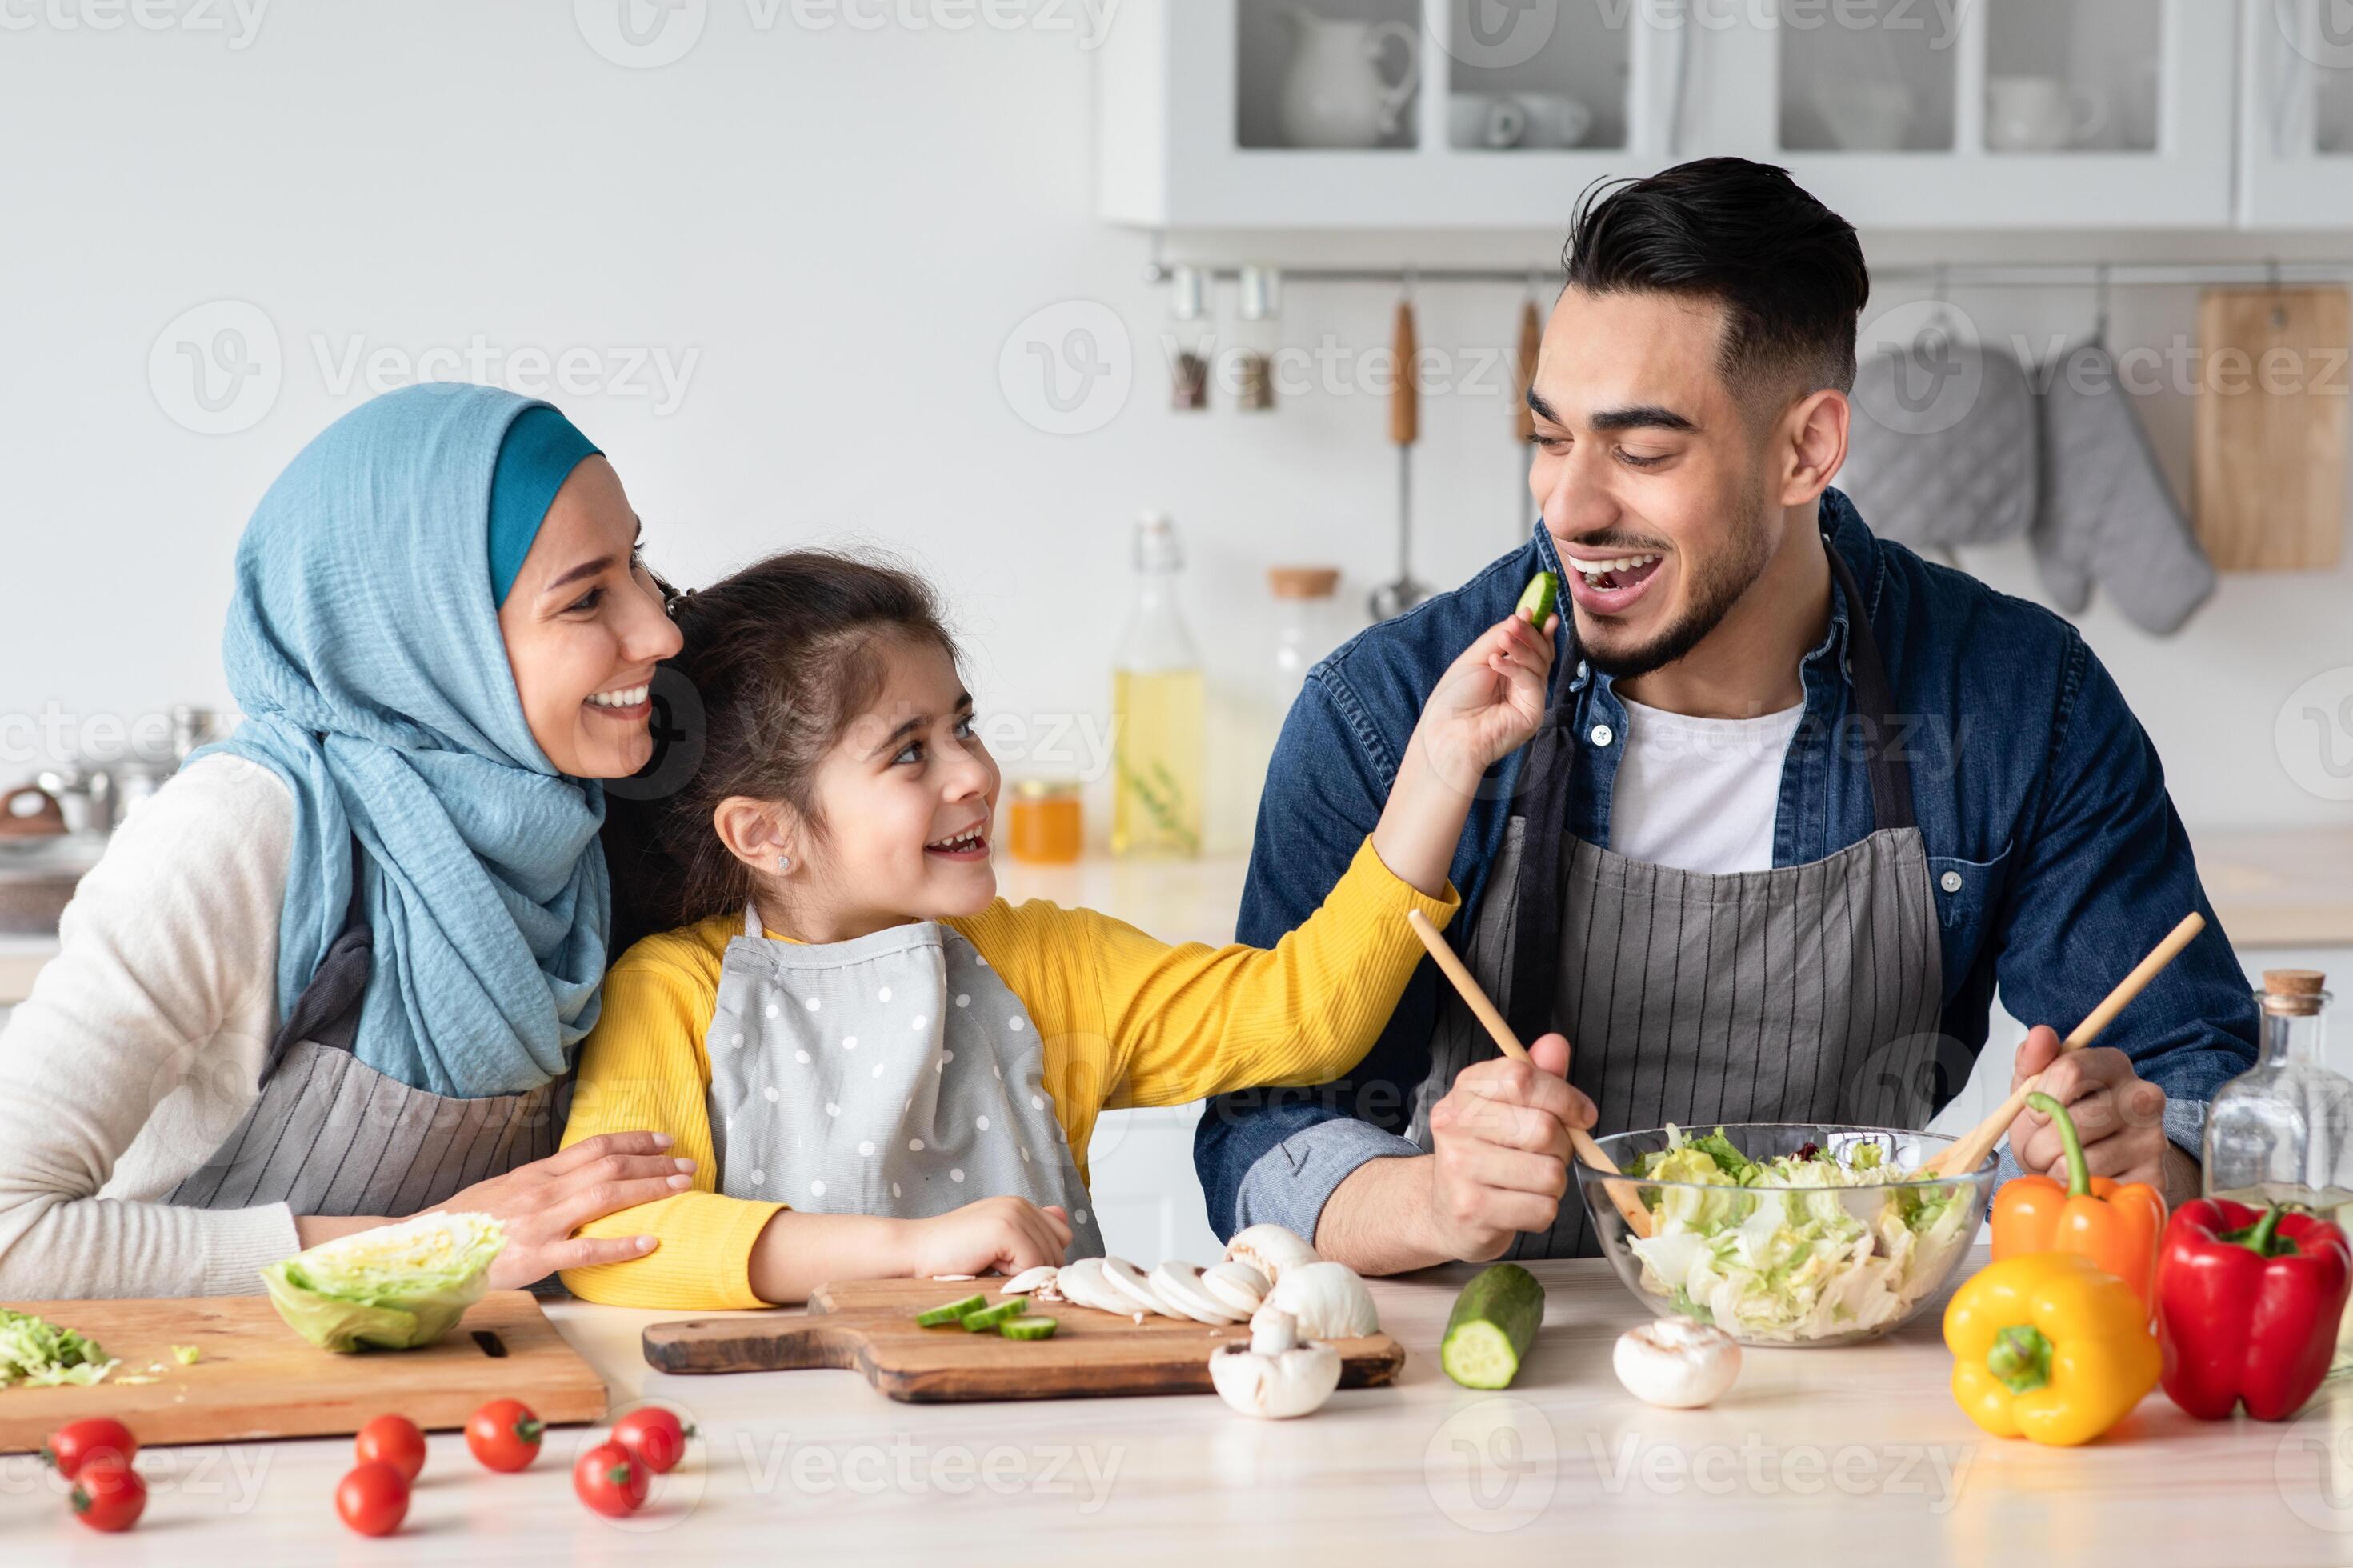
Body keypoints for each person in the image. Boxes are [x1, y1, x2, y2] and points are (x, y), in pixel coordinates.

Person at [1195, 158, 2260, 1273]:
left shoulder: (2014, 698)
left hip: (1860, 1364)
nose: (1569, 505)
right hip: (1500, 1385)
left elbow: (2191, 1080)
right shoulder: (1386, 710)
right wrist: (1428, 1203)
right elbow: (1263, 1127)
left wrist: (2145, 1151)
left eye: (1643, 452)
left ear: (1806, 449)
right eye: (1552, 438)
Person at [556, 549, 1551, 1309]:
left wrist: (1440, 768)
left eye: (964, 724)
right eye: (909, 753)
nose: (973, 773)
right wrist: (911, 1249)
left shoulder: (1046, 962)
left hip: (1045, 1444)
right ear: (764, 833)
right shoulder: (674, 994)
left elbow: (1306, 1014)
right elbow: (621, 1236)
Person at [0, 384, 696, 1298]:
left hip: (451, 1400)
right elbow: (10, 1232)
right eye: (584, 599)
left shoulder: (581, 829)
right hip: (195, 1407)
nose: (660, 628)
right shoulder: (246, 828)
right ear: (425, 632)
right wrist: (428, 1247)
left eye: (637, 564)